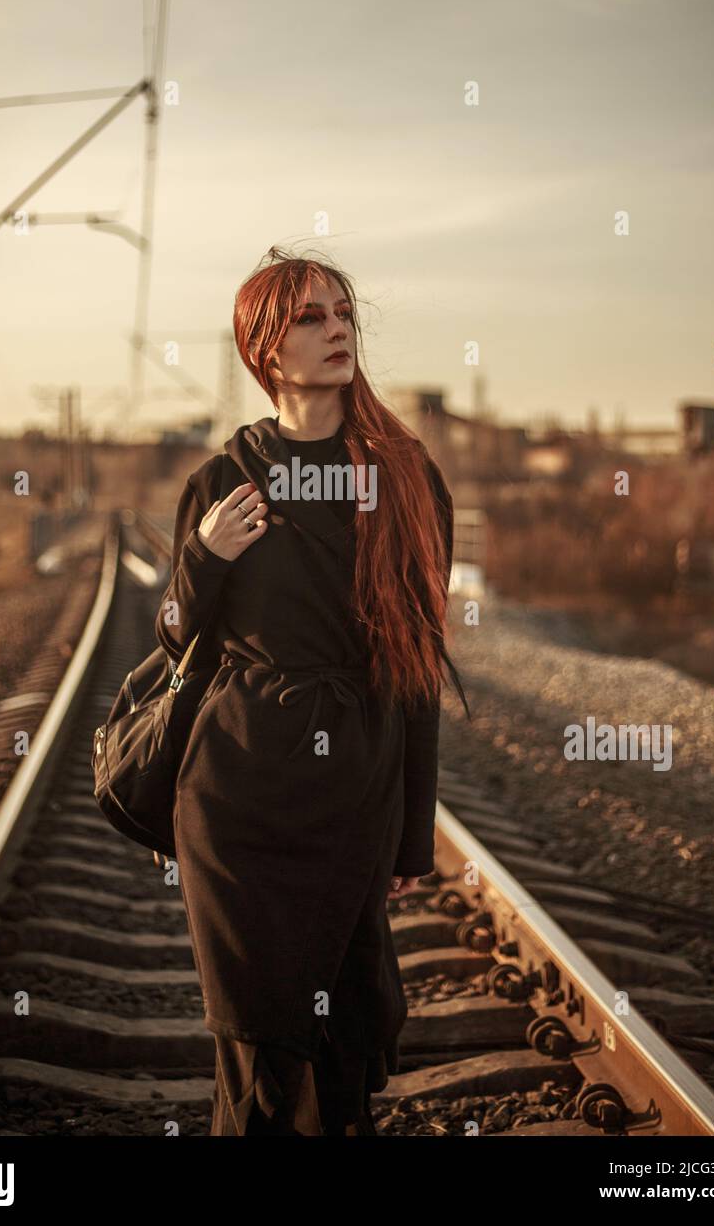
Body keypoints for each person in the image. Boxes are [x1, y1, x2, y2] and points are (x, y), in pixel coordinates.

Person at [155, 245, 470, 1136]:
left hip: (350, 792)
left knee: (342, 1056)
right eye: (308, 317)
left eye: (341, 314)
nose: (335, 330)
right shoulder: (220, 482)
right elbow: (178, 639)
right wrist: (202, 558)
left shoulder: (406, 484)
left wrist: (411, 839)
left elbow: (416, 672)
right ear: (264, 348)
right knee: (257, 1062)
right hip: (235, 796)